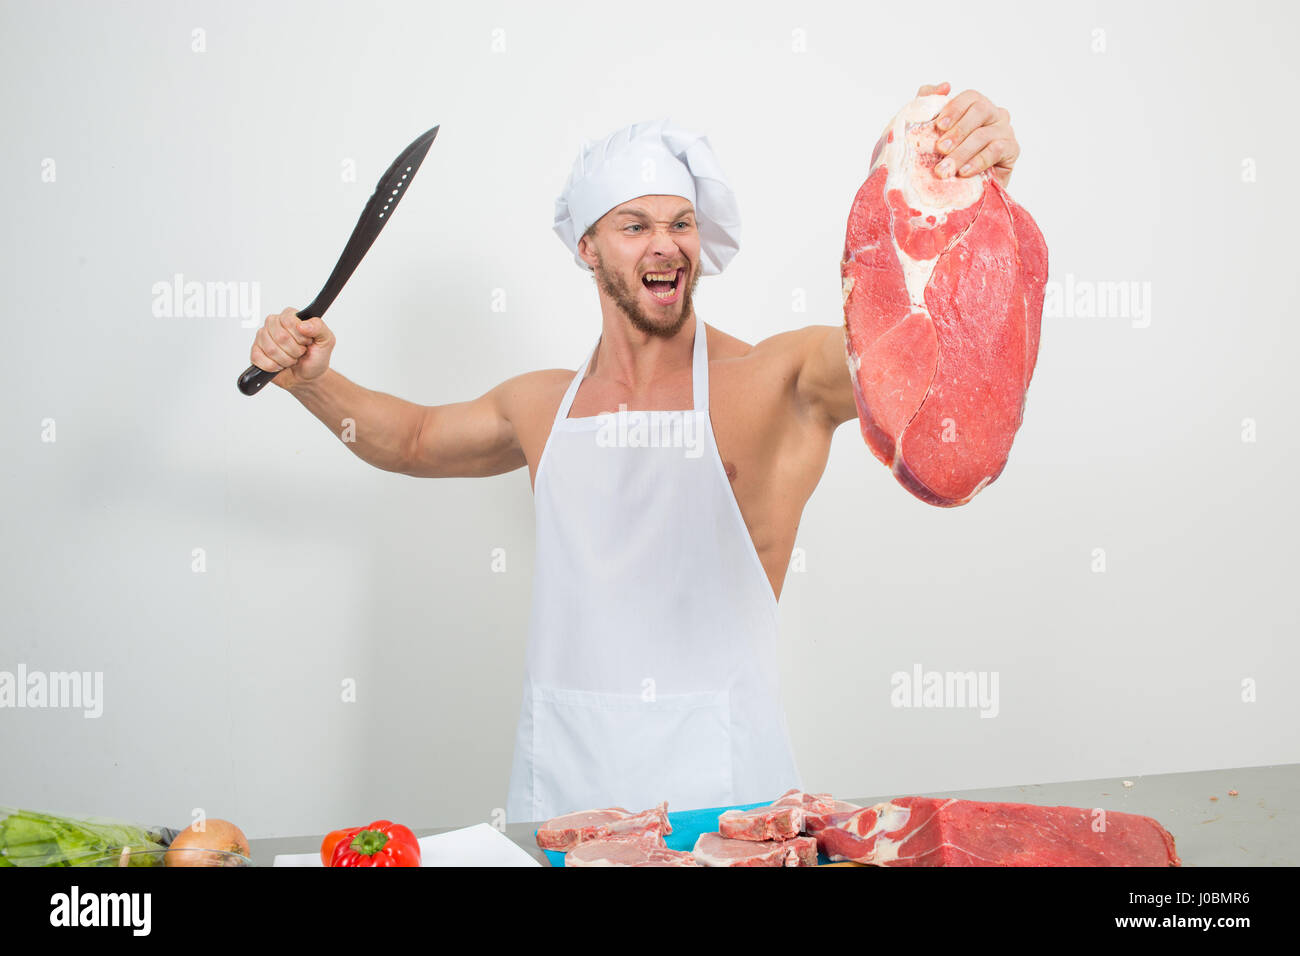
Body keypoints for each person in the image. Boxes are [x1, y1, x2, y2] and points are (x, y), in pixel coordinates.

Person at [247, 83, 1021, 823]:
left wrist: (956, 196)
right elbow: (412, 440)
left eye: (681, 223)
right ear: (587, 247)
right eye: (635, 225)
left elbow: (916, 357)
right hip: (562, 795)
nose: (667, 245)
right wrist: (312, 381)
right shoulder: (541, 402)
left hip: (728, 806)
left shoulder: (777, 380)